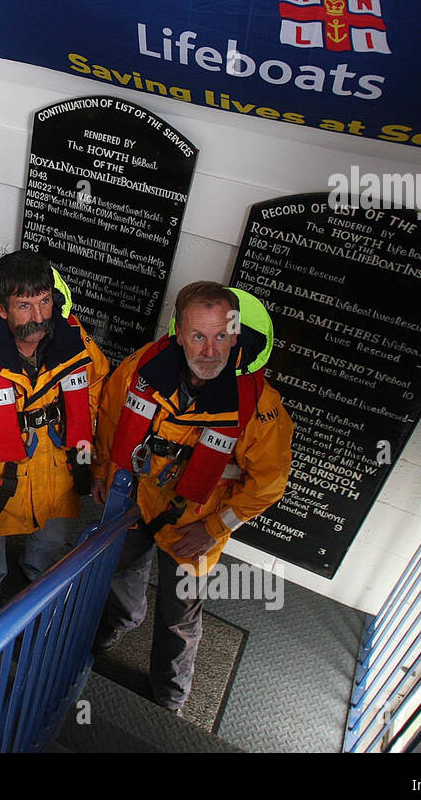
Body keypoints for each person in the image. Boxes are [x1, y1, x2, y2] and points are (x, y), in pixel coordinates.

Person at [92, 282, 293, 714]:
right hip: (136, 501)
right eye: (198, 336)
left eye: (222, 335)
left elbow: (269, 483)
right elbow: (110, 420)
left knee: (179, 616)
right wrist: (105, 473)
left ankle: (170, 698)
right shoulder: (140, 369)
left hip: (196, 524)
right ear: (178, 334)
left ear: (236, 335)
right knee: (120, 573)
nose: (209, 350)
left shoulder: (258, 406)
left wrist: (214, 528)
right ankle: (117, 624)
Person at [0, 250, 109, 621]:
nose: (38, 316)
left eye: (44, 301)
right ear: (1, 309)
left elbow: (97, 384)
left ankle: (37, 576)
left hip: (59, 468)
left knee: (51, 536)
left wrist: (82, 428)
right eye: (24, 305)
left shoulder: (76, 344)